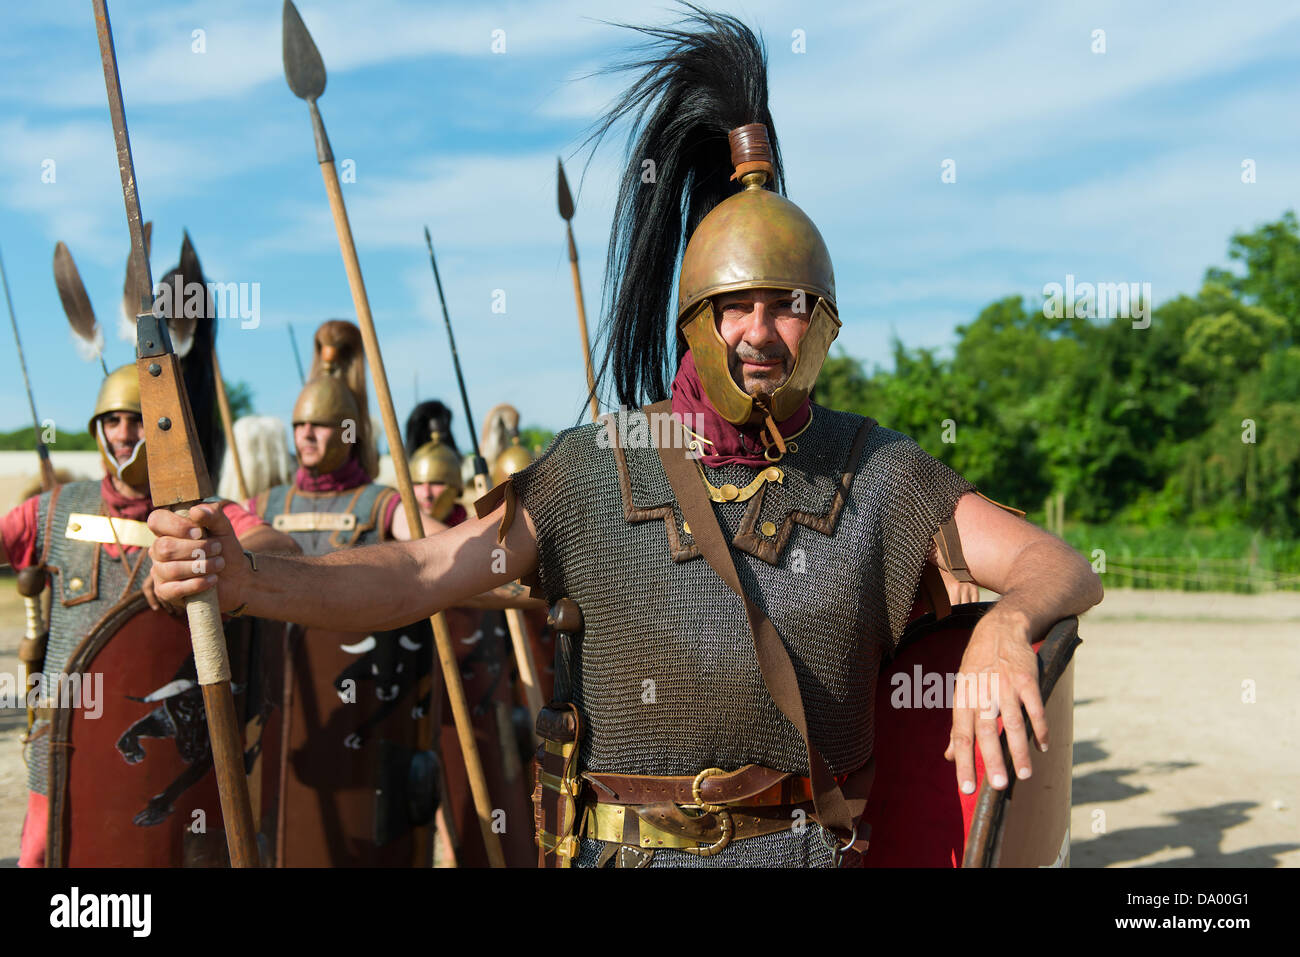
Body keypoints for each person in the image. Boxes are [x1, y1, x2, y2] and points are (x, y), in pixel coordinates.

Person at [148, 10, 1101, 868]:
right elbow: (424, 573)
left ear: (826, 321)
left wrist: (1010, 626)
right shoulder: (593, 470)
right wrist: (250, 580)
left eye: (788, 307)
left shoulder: (880, 472)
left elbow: (1059, 564)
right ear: (696, 320)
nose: (760, 333)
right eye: (735, 307)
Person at [0, 364, 293, 866]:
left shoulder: (203, 512)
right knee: (47, 855)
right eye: (111, 421)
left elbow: (278, 548)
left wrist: (203, 556)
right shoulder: (52, 511)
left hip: (172, 747)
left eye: (135, 420)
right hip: (68, 745)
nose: (122, 433)